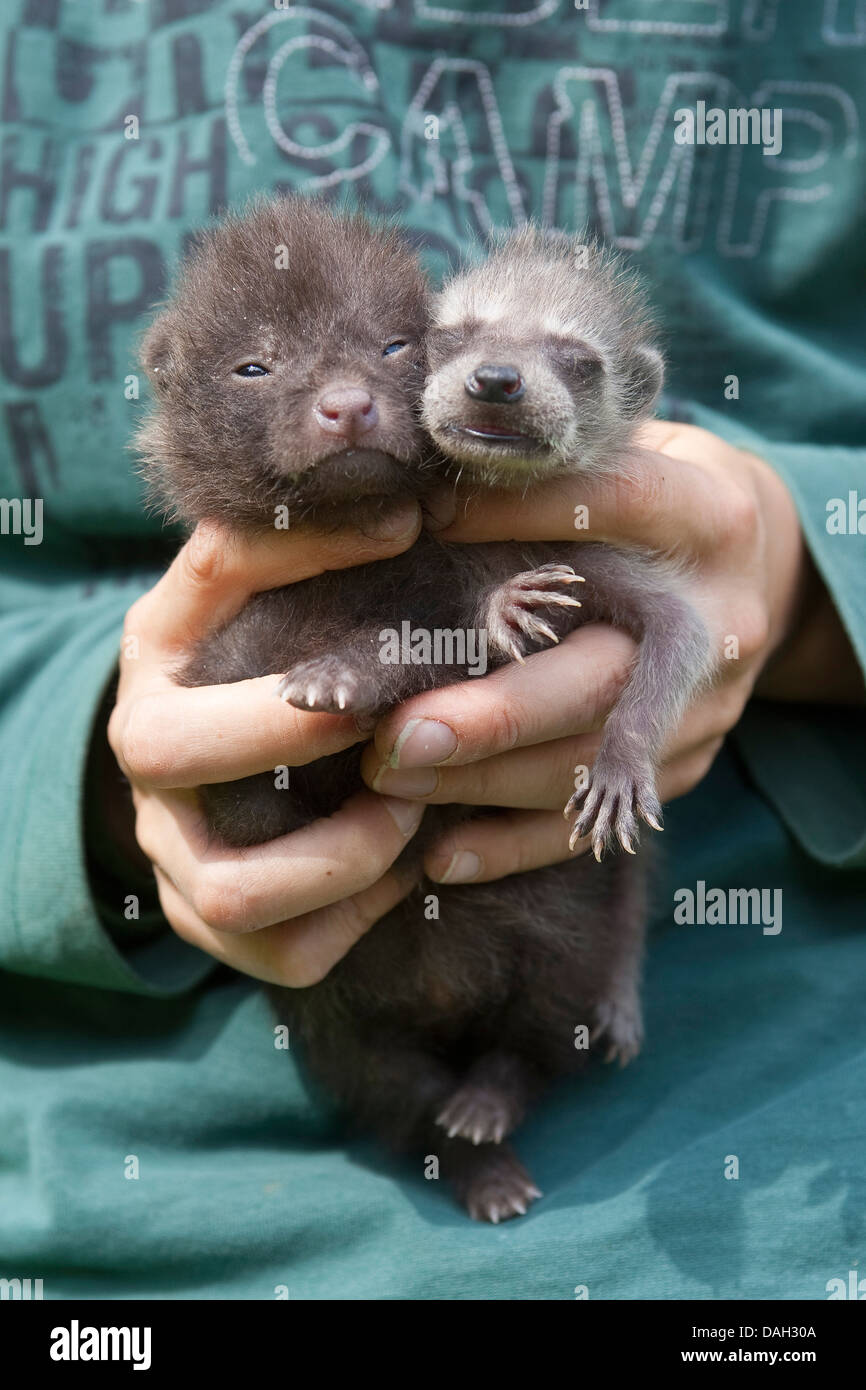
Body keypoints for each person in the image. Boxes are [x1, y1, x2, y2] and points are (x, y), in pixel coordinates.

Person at [1, 0, 864, 1299]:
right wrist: (87, 765)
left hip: (750, 1146)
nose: (354, 394)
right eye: (449, 351)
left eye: (391, 353)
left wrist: (803, 578)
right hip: (139, 1188)